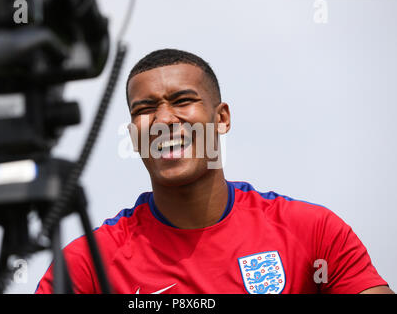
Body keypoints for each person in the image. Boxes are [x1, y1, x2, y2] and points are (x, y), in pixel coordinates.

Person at [36, 49, 393, 294]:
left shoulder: (313, 231)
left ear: (221, 118)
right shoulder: (87, 264)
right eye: (145, 109)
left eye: (182, 101)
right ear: (133, 136)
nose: (163, 121)